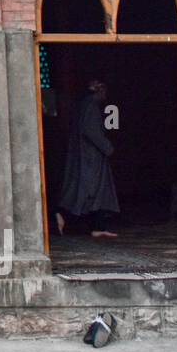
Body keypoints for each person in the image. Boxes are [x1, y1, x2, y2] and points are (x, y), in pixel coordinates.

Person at [56, 80, 120, 238]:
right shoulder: (90, 106)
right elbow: (91, 131)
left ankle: (97, 226)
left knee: (96, 192)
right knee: (87, 190)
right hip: (90, 157)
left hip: (89, 155)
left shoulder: (84, 105)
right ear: (99, 91)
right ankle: (63, 213)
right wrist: (107, 147)